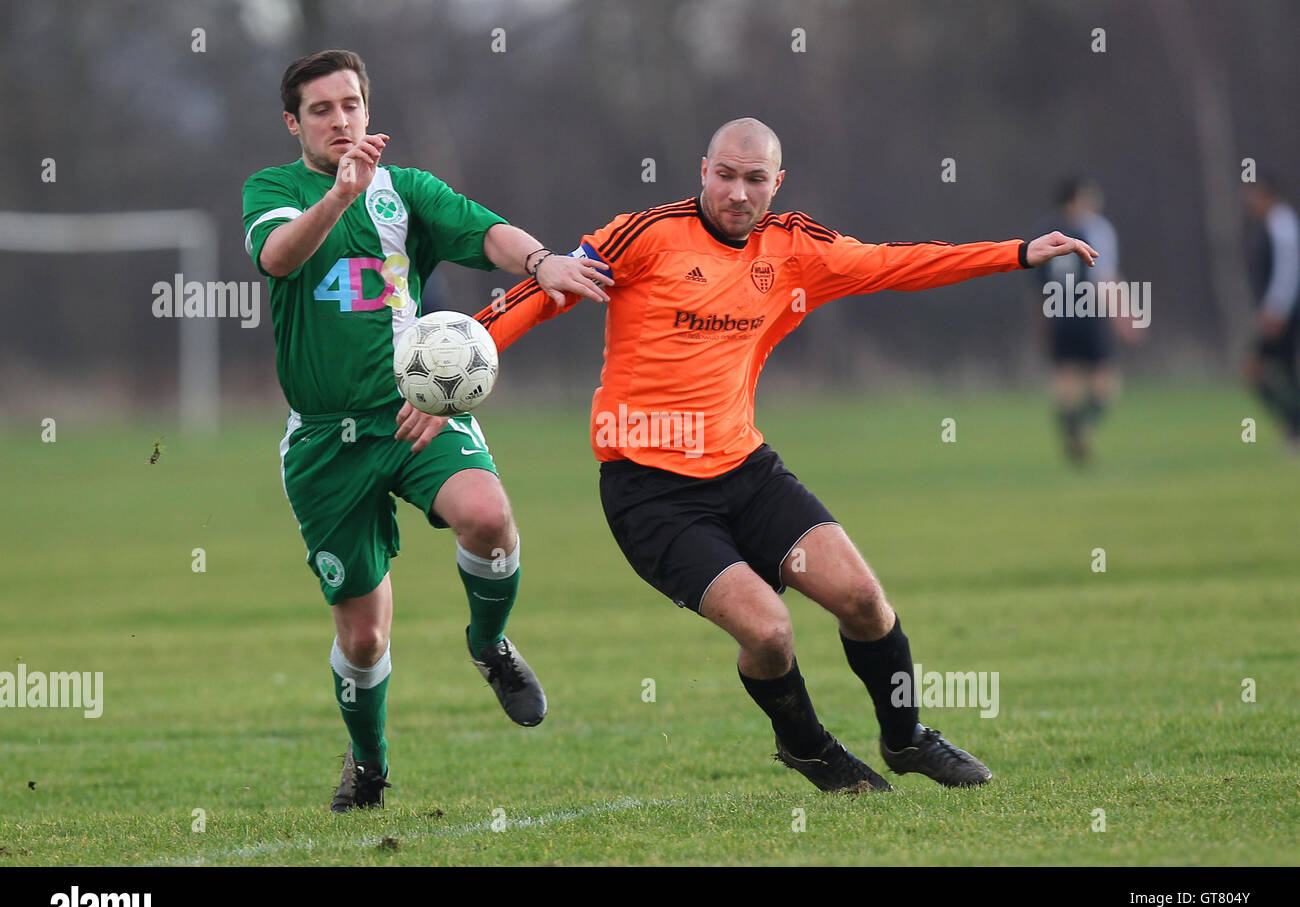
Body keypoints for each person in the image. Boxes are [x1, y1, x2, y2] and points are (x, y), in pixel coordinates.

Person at [474, 117, 1098, 793]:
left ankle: (907, 737)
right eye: (725, 174)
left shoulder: (796, 247)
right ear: (702, 170)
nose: (737, 193)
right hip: (650, 494)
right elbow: (544, 293)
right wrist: (459, 359)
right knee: (770, 634)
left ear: (777, 183)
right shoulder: (646, 235)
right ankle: (809, 750)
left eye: (754, 179)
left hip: (745, 472)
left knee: (862, 599)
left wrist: (1014, 253)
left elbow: (896, 262)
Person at [240, 50, 613, 812]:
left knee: (487, 516)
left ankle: (488, 646)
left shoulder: (406, 191)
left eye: (351, 105)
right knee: (366, 638)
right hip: (324, 442)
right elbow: (279, 258)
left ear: (368, 112)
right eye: (321, 109)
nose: (340, 119)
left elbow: (490, 232)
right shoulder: (274, 190)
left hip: (416, 412)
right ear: (294, 123)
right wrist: (338, 198)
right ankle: (369, 765)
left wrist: (540, 262)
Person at [1034, 177, 1131, 464]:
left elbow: (1035, 287)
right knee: (1107, 383)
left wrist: (1042, 323)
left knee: (1064, 379)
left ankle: (1071, 432)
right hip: (1089, 314)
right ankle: (1080, 427)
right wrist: (1124, 316)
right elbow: (1105, 278)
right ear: (1075, 201)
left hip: (1058, 315)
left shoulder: (1043, 235)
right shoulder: (1094, 231)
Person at [1242, 173, 1300, 448]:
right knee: (1283, 371)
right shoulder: (1273, 224)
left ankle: (1294, 426)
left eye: (1253, 194)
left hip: (1285, 312)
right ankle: (1293, 428)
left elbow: (1287, 271)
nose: (1249, 201)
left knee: (1256, 370)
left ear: (1267, 195)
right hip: (1281, 311)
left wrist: (1275, 309)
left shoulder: (1282, 224)